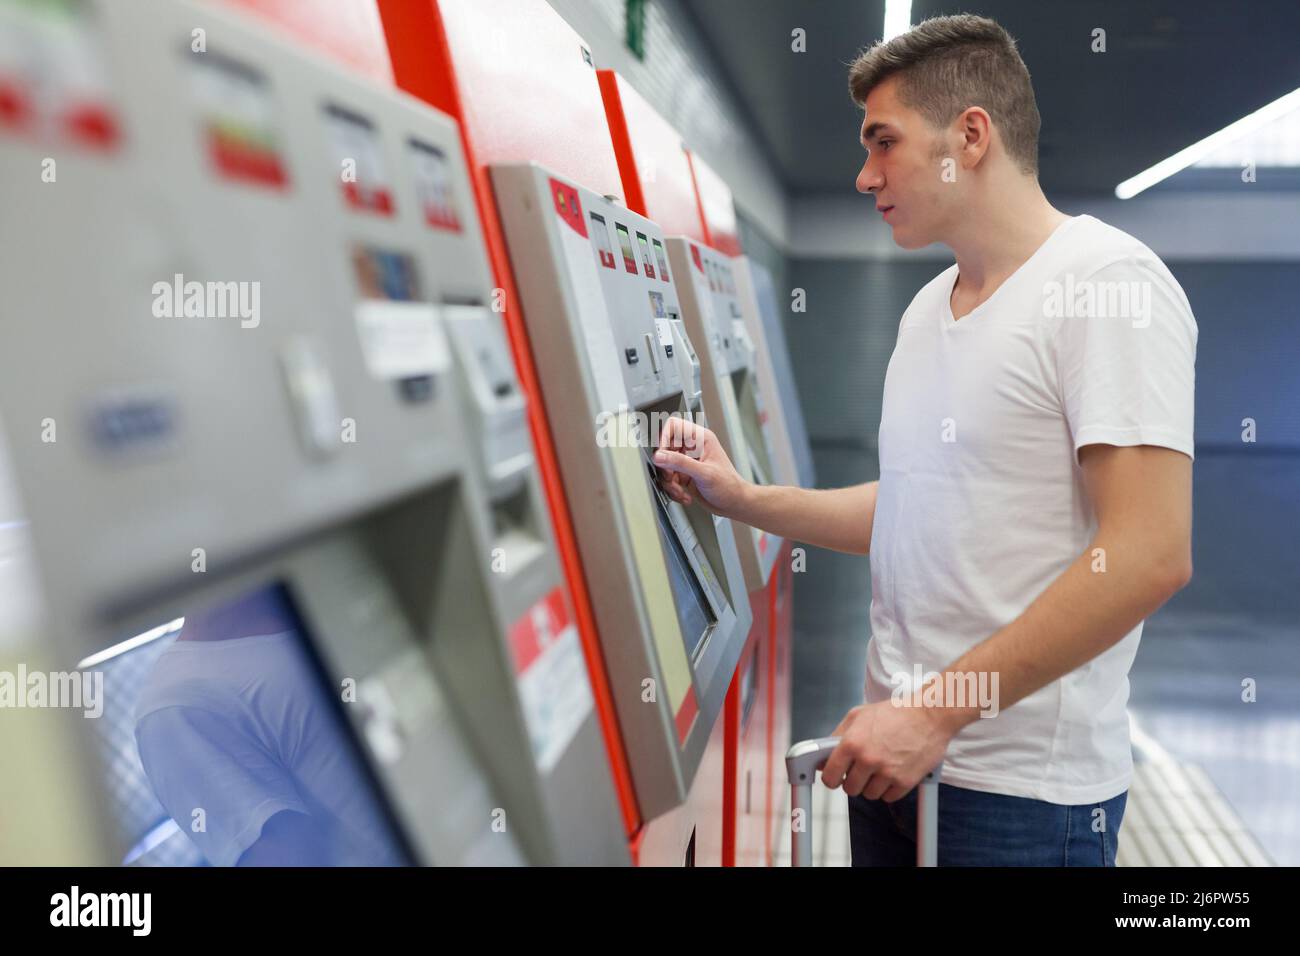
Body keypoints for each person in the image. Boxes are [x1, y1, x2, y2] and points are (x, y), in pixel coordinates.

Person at [654, 14, 1196, 866]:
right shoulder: (925, 311)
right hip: (894, 768)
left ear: (969, 136)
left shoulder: (1107, 286)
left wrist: (935, 713)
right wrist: (745, 500)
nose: (865, 175)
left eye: (884, 143)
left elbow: (1146, 553)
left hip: (1019, 803)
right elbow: (917, 506)